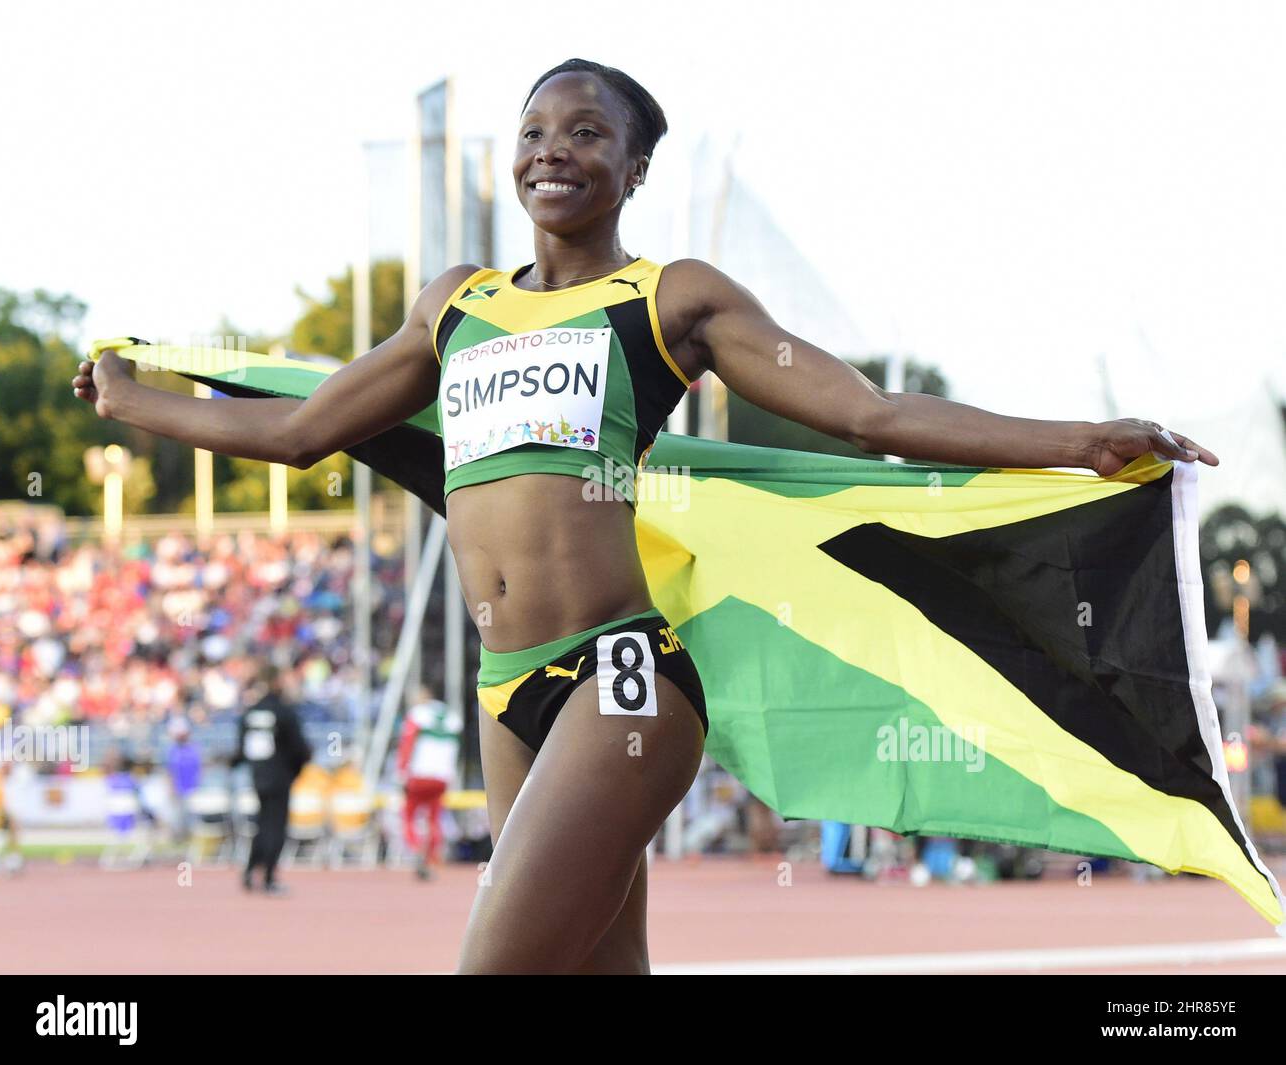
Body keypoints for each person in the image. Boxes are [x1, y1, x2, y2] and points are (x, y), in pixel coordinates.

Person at [72, 58, 1218, 973]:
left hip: (619, 675)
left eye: (582, 134)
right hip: (505, 689)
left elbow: (868, 414)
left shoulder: (670, 299)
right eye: (531, 133)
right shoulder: (454, 308)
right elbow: (298, 430)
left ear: (633, 168)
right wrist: (135, 405)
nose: (549, 153)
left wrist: (1074, 440)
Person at [230, 662, 311, 895]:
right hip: (280, 775)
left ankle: (250, 870)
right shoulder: (284, 711)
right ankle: (268, 876)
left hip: (258, 776)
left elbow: (241, 750)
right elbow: (300, 749)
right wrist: (294, 771)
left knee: (262, 823)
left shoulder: (251, 711)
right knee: (275, 826)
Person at [395, 686, 458, 879]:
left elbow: (407, 744)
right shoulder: (451, 717)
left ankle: (415, 849)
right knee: (434, 818)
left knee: (408, 815)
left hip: (420, 773)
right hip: (442, 775)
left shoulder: (417, 715)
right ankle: (432, 856)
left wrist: (402, 771)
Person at [163, 717, 201, 847]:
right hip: (178, 790)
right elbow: (169, 771)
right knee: (177, 819)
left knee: (189, 820)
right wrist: (170, 787)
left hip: (192, 789)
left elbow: (200, 769)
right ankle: (178, 843)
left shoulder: (193, 749)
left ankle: (188, 843)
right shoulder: (172, 750)